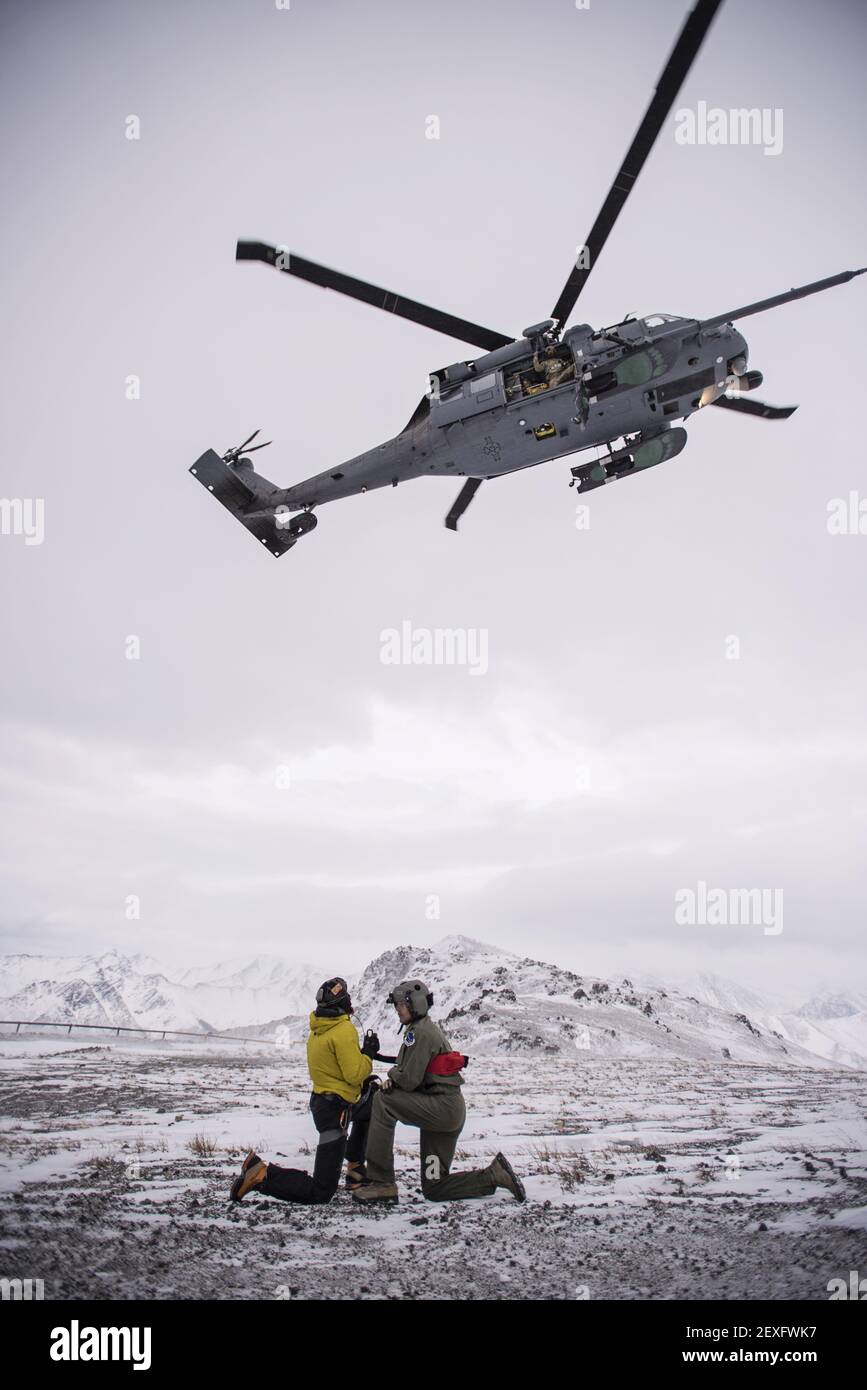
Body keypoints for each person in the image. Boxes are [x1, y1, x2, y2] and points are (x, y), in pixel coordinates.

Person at [353, 979, 525, 1205]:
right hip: (444, 1113)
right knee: (434, 1187)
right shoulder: (422, 1029)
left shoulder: (420, 1033)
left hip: (440, 1109)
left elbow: (409, 1080)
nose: (397, 1009)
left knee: (382, 1101)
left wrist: (392, 1077)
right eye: (396, 1004)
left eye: (401, 1004)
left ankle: (382, 1183)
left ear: (415, 1004)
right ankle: (494, 1175)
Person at [229, 976, 380, 1204]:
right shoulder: (344, 1030)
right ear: (343, 1003)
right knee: (320, 1192)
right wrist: (368, 1054)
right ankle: (262, 1174)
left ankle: (356, 1170)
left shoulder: (318, 1029)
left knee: (373, 1104)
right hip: (335, 1112)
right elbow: (354, 1074)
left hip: (325, 1103)